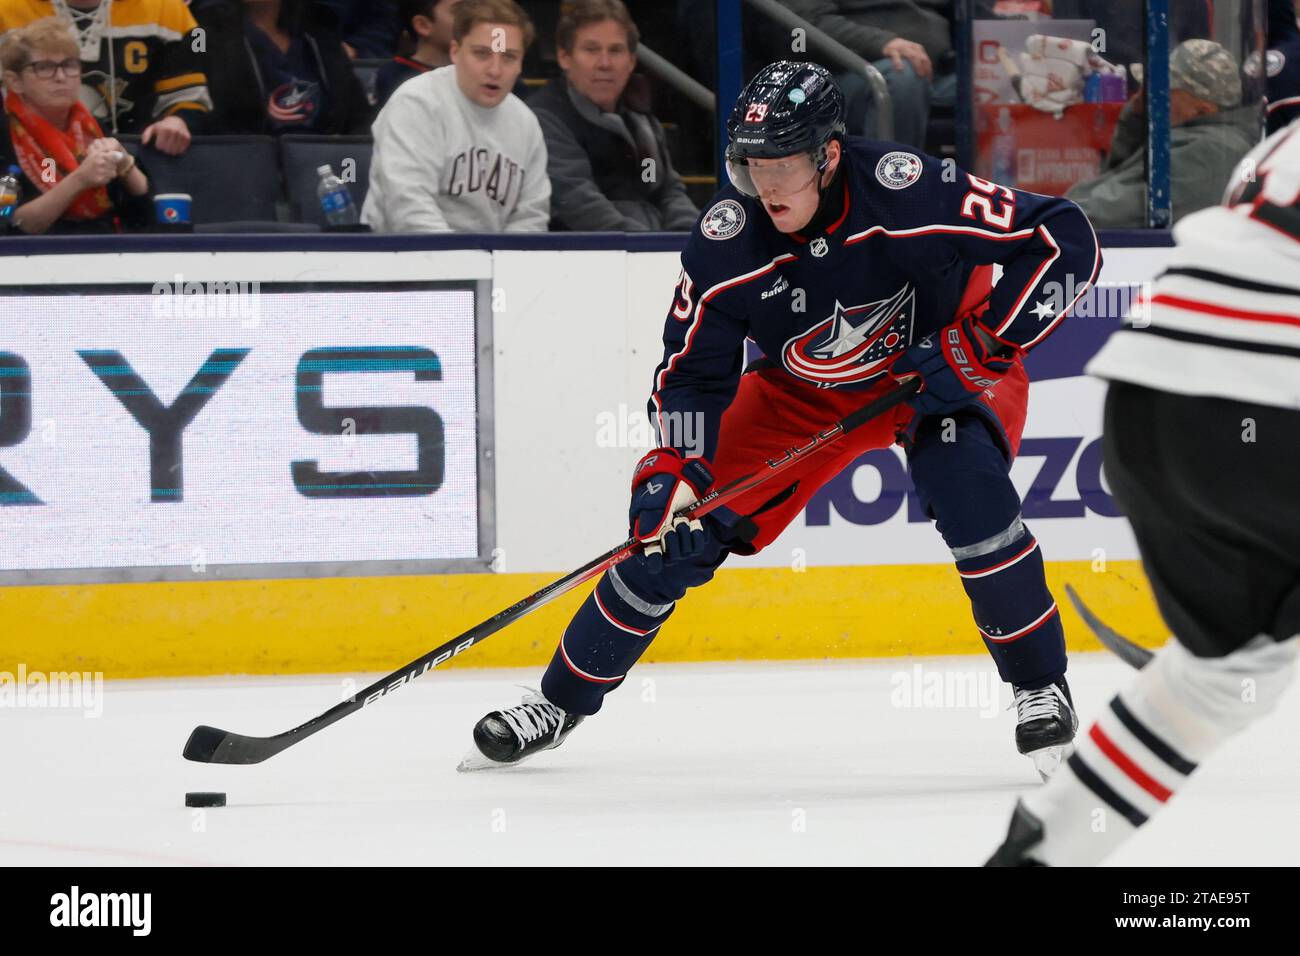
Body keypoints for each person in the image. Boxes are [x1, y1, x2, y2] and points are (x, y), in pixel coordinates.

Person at [462, 61, 1102, 778]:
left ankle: (1039, 686)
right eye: (749, 164)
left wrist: (984, 342)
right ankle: (558, 703)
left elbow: (1065, 241)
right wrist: (674, 467)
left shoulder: (909, 187)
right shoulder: (727, 240)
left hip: (937, 378)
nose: (764, 185)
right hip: (803, 393)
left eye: (782, 163)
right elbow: (692, 375)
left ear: (828, 155)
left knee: (973, 497)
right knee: (674, 542)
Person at [988, 120, 1300, 867]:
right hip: (1267, 396)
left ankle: (1043, 851)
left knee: (1228, 675)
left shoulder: (1281, 140)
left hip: (1148, 393)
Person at [362, 0, 548, 233]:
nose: (495, 70)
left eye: (508, 57)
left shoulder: (526, 123)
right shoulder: (415, 103)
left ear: (521, 64)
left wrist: (503, 265)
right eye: (482, 54)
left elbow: (531, 218)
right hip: (405, 259)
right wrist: (461, 265)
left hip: (494, 263)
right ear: (455, 52)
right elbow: (409, 209)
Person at [527, 0, 698, 231]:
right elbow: (579, 204)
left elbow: (665, 192)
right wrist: (650, 249)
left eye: (615, 50)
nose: (605, 63)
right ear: (564, 57)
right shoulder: (543, 118)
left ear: (631, 61)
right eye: (591, 49)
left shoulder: (643, 121)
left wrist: (689, 238)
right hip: (587, 259)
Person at [1066, 39, 1258, 229]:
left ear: (1202, 110)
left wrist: (1052, 214)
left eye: (1162, 92)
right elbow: (1116, 180)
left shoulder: (1211, 152)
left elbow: (1112, 211)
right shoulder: (1192, 136)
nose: (1148, 97)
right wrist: (1135, 119)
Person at [0, 0, 212, 155]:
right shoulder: (5, 10)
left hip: (139, 152)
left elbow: (189, 96)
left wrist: (178, 120)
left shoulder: (167, 9)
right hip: (26, 153)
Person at [0, 15, 151, 233]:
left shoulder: (93, 128)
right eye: (44, 68)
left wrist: (125, 164)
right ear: (15, 82)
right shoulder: (5, 135)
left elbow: (145, 217)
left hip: (106, 250)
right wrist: (80, 179)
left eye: (69, 65)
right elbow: (9, 224)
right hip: (34, 258)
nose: (61, 77)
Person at [780, 0, 956, 148]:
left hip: (944, 69)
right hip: (843, 72)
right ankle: (891, 183)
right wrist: (879, 43)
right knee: (900, 77)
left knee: (981, 84)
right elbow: (806, 21)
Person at [193, 0, 372, 135]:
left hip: (323, 171)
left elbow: (357, 119)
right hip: (247, 171)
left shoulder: (319, 34)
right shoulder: (209, 39)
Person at [374, 0, 459, 109]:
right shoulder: (394, 76)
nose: (472, 19)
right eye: (459, 11)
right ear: (423, 25)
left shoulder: (476, 70)